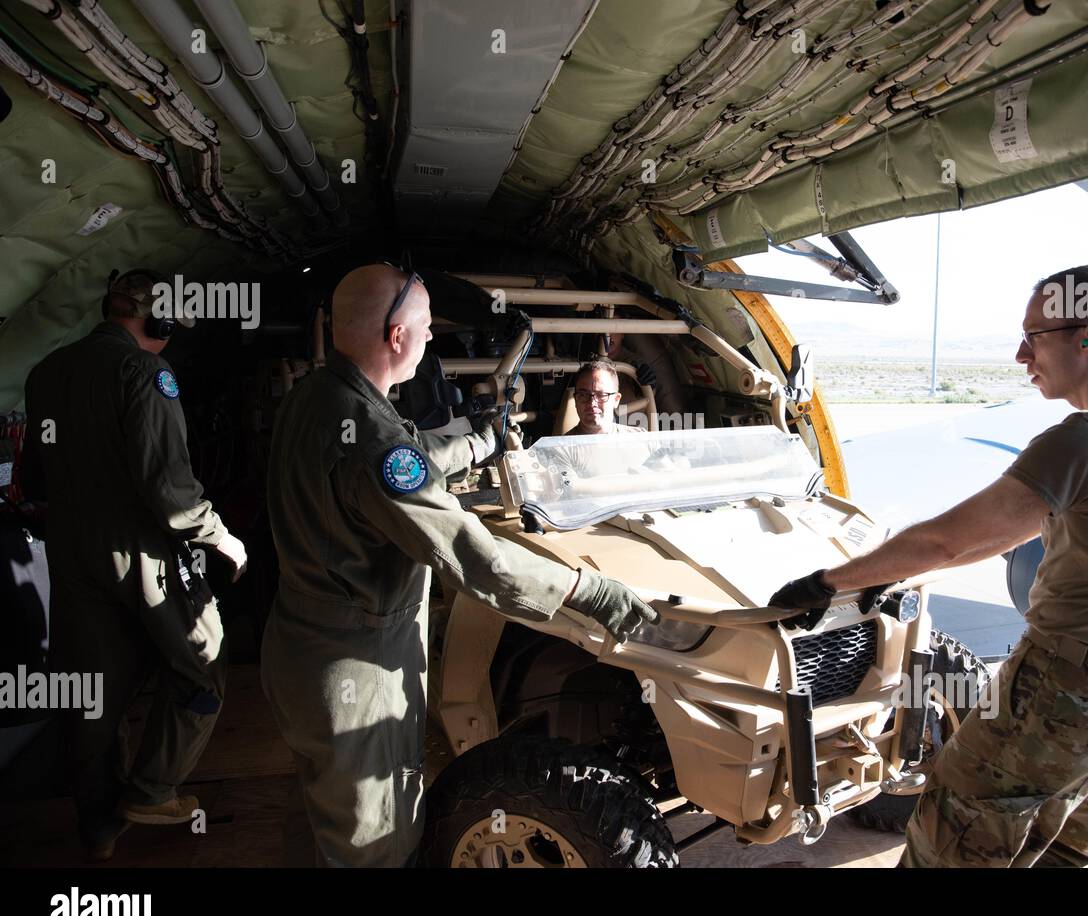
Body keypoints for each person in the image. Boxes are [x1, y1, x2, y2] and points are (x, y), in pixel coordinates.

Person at [769, 265, 1088, 867]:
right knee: (1062, 854)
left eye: (1034, 337)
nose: (1022, 355)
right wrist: (889, 573)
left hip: (1064, 696)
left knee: (950, 842)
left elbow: (947, 541)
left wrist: (830, 583)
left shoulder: (1086, 439)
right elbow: (998, 534)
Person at [261, 264, 658, 867]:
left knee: (334, 813)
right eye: (425, 327)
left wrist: (479, 442)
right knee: (378, 843)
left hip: (302, 645)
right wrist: (588, 590)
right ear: (397, 335)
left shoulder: (316, 397)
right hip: (358, 669)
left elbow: (404, 462)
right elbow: (478, 560)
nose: (430, 338)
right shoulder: (372, 436)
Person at [20, 268, 248, 861]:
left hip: (71, 551)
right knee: (203, 664)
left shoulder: (46, 372)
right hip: (143, 552)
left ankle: (97, 825)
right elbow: (169, 490)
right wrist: (221, 537)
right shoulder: (146, 373)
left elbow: (34, 478)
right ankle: (151, 791)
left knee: (91, 691)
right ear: (160, 319)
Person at [565, 359, 646, 436]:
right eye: (583, 395)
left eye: (601, 395)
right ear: (575, 400)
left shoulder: (640, 439)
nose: (592, 403)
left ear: (616, 400)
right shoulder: (561, 445)